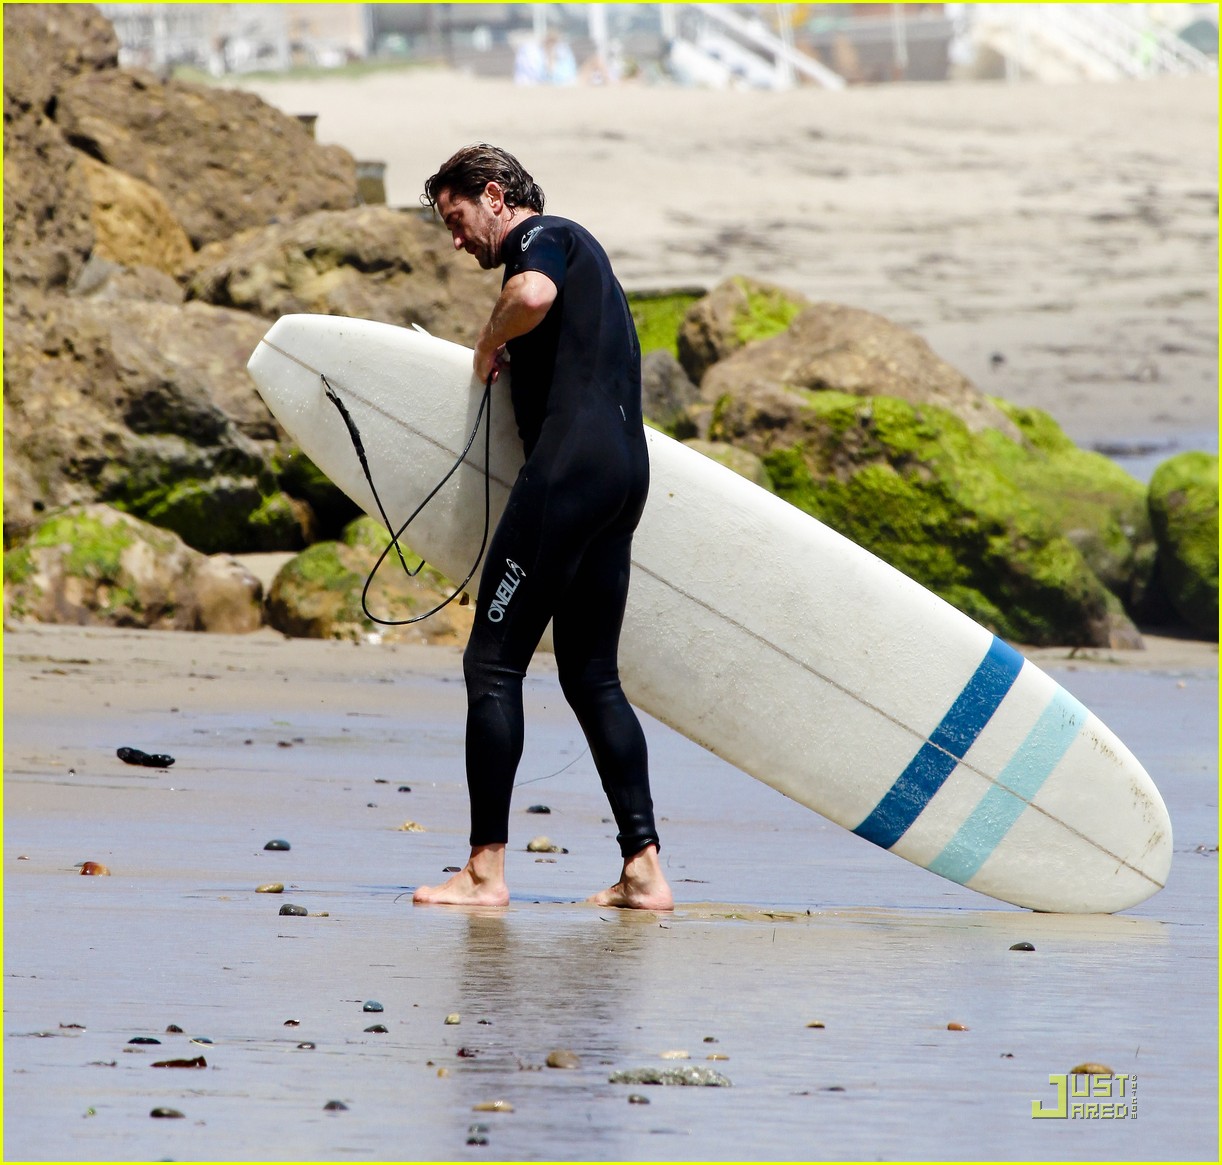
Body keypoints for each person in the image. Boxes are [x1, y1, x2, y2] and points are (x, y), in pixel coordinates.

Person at [413, 144, 673, 912]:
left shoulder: (543, 237)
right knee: (589, 674)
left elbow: (527, 295)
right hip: (624, 477)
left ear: (495, 196)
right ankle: (644, 869)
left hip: (568, 474)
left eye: (457, 220)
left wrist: (488, 344)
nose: (456, 241)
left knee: (493, 663)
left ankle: (484, 872)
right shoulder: (590, 264)